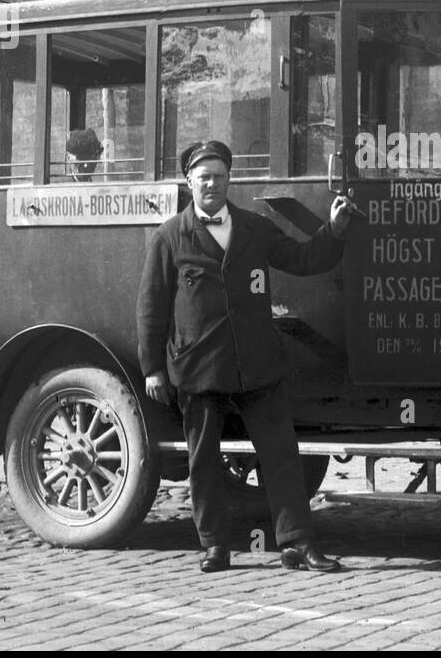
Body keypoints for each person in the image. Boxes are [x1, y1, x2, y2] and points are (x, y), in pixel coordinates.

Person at [136, 140, 354, 573]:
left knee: (282, 457)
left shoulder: (254, 227)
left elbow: (304, 258)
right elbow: (151, 306)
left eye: (219, 176)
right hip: (198, 368)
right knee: (203, 462)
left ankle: (297, 543)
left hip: (257, 364)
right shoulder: (169, 237)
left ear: (230, 180)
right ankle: (214, 545)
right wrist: (153, 368)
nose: (211, 184)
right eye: (203, 178)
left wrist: (334, 231)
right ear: (189, 183)